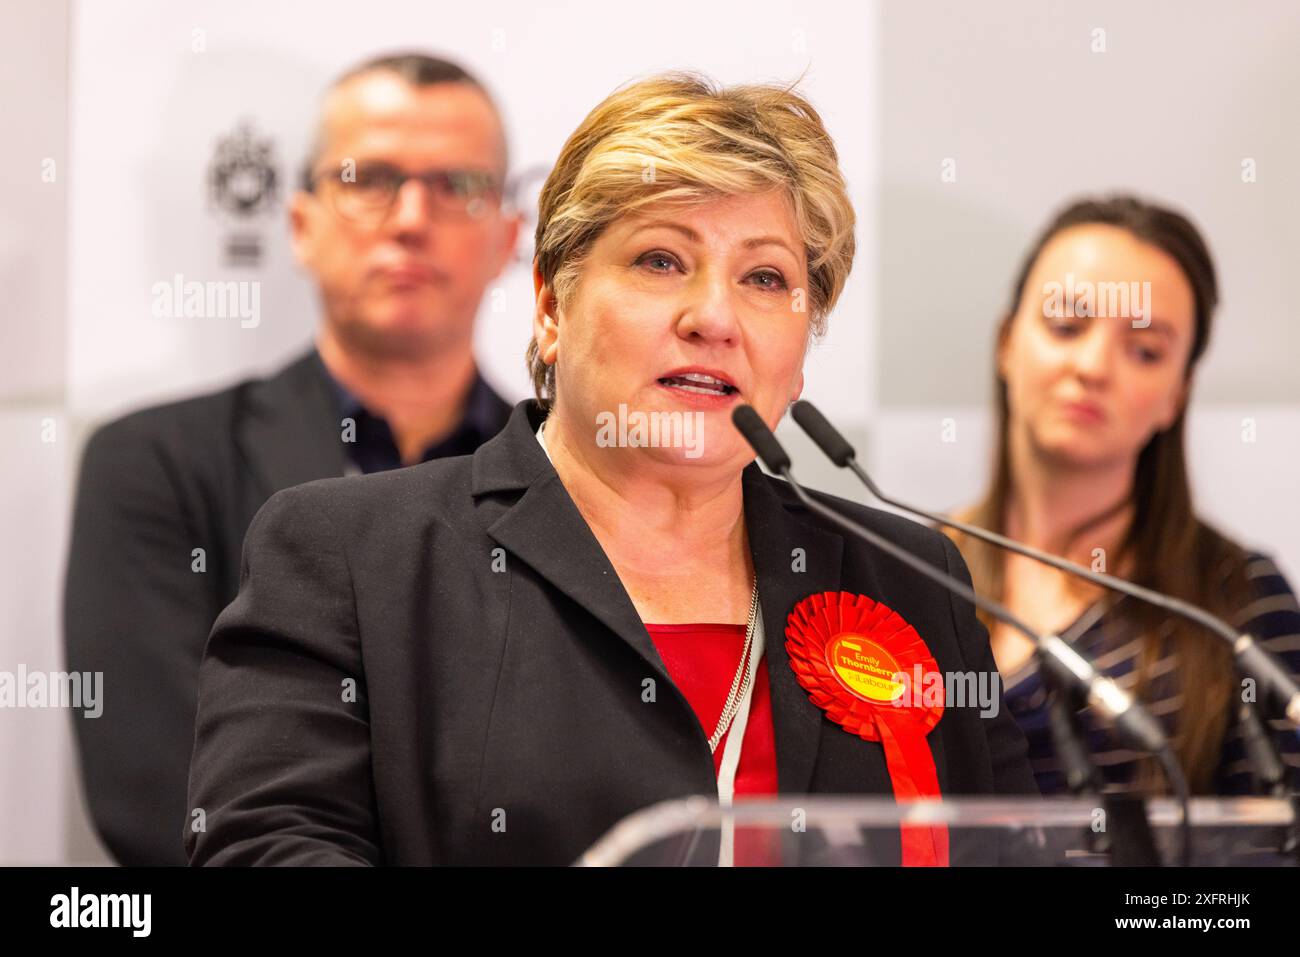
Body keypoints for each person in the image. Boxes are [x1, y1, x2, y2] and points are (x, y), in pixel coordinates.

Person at [185, 71, 1036, 867]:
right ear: (552, 307)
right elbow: (268, 849)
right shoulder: (349, 556)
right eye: (661, 260)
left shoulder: (915, 585)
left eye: (766, 277)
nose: (715, 316)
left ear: (800, 354)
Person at [64, 52, 520, 865]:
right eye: (369, 176)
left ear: (508, 236)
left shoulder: (577, 475)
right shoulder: (154, 463)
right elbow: (157, 793)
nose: (412, 216)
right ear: (302, 222)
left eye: (458, 184)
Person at [944, 196, 1300, 796]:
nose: (1093, 366)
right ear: (1007, 342)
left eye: (1145, 350)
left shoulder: (1237, 602)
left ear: (1176, 395)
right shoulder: (904, 570)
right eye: (1066, 326)